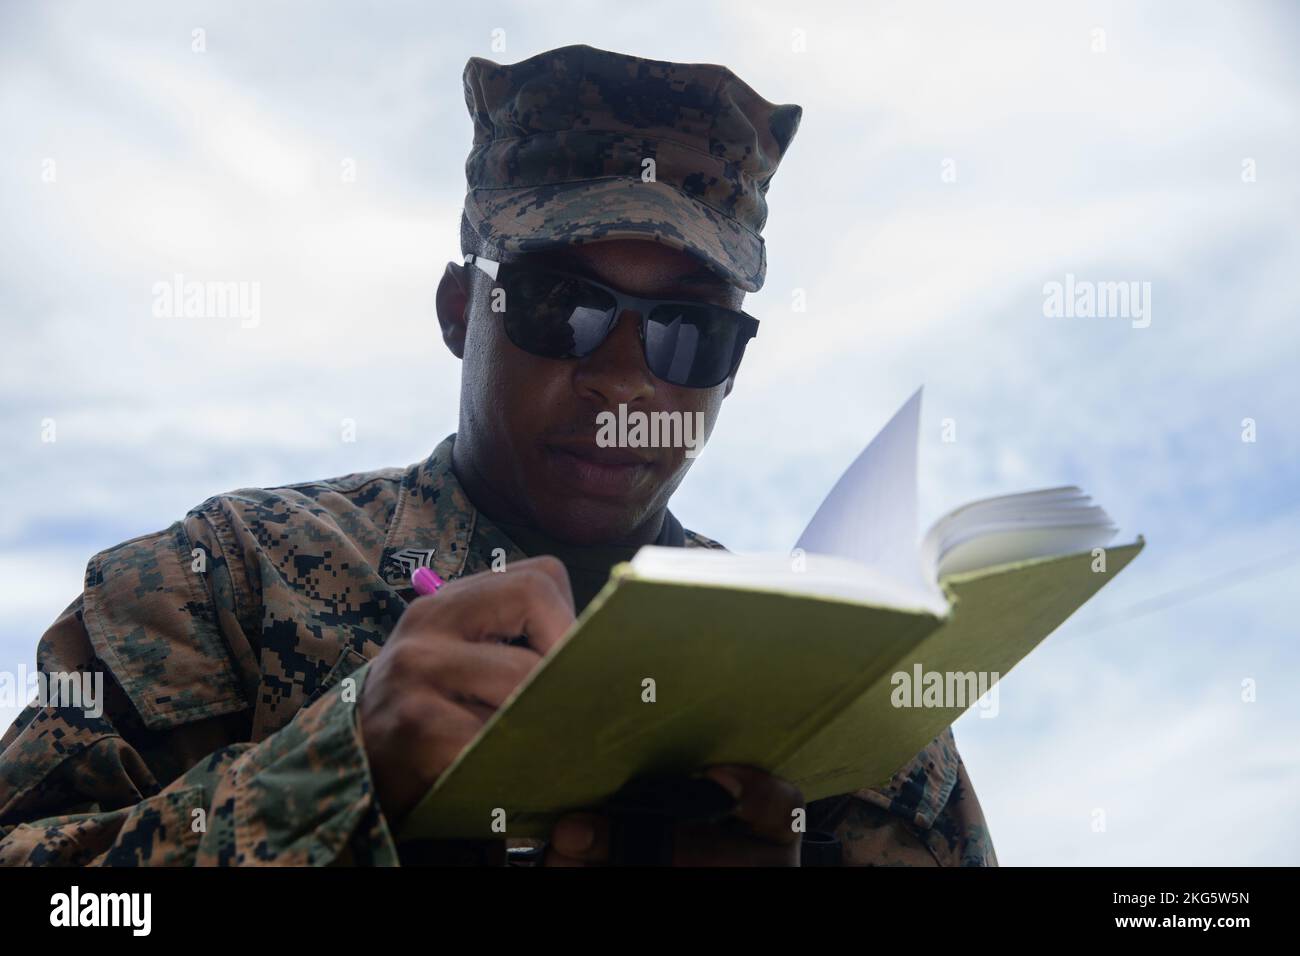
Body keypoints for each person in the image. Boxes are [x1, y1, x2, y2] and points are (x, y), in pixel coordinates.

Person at [0, 43, 995, 866]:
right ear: (457, 309)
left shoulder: (852, 702)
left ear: (732, 367)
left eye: (687, 332)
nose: (623, 381)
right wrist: (332, 776)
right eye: (563, 306)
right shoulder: (219, 586)